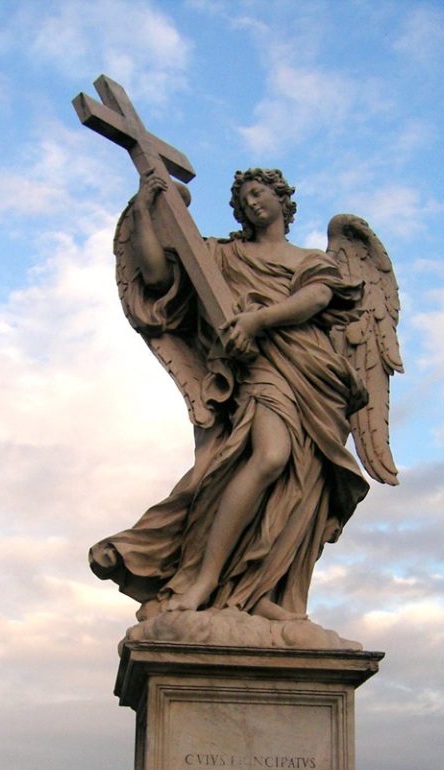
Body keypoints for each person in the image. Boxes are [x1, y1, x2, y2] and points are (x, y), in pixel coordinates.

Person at [89, 168, 370, 621]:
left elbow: (317, 299)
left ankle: (259, 589)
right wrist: (144, 208)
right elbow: (159, 277)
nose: (252, 203)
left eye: (259, 193)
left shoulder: (313, 259)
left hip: (317, 374)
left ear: (282, 198)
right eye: (244, 199)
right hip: (261, 368)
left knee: (302, 485)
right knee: (272, 456)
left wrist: (257, 320)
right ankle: (203, 580)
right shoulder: (222, 256)